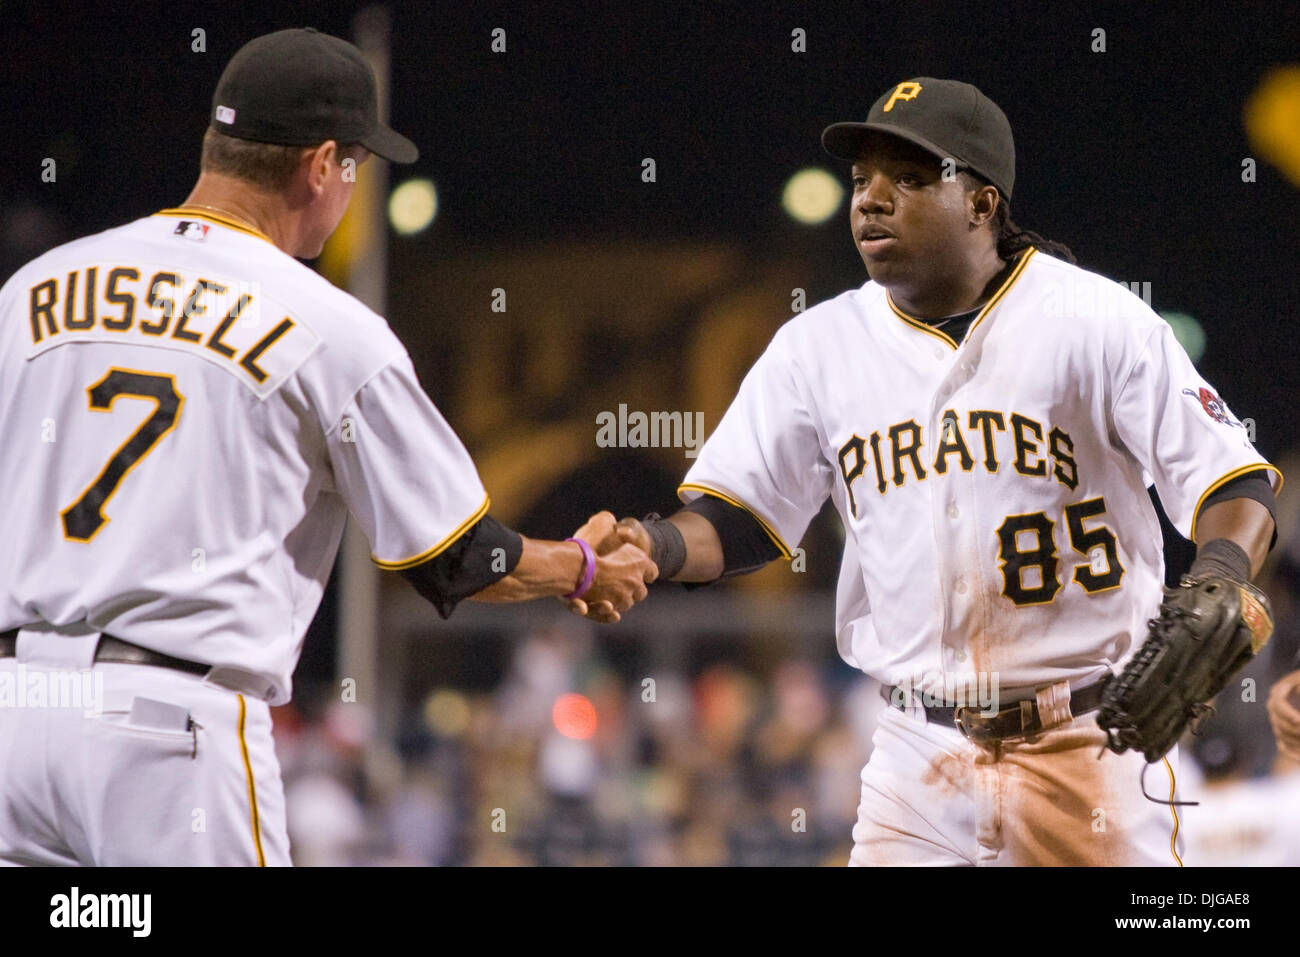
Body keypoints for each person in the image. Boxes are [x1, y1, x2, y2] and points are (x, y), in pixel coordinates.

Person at [575, 77, 1280, 865]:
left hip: (1089, 739)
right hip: (916, 752)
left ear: (981, 204)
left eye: (909, 179)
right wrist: (655, 544)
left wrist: (1220, 574)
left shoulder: (1095, 318)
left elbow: (1234, 481)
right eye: (861, 181)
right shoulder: (818, 346)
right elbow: (742, 514)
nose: (871, 200)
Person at [0, 28, 655, 867]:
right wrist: (583, 568)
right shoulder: (328, 326)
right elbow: (454, 557)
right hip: (167, 734)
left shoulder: (39, 288)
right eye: (356, 165)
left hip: (16, 711)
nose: (354, 187)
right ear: (320, 165)